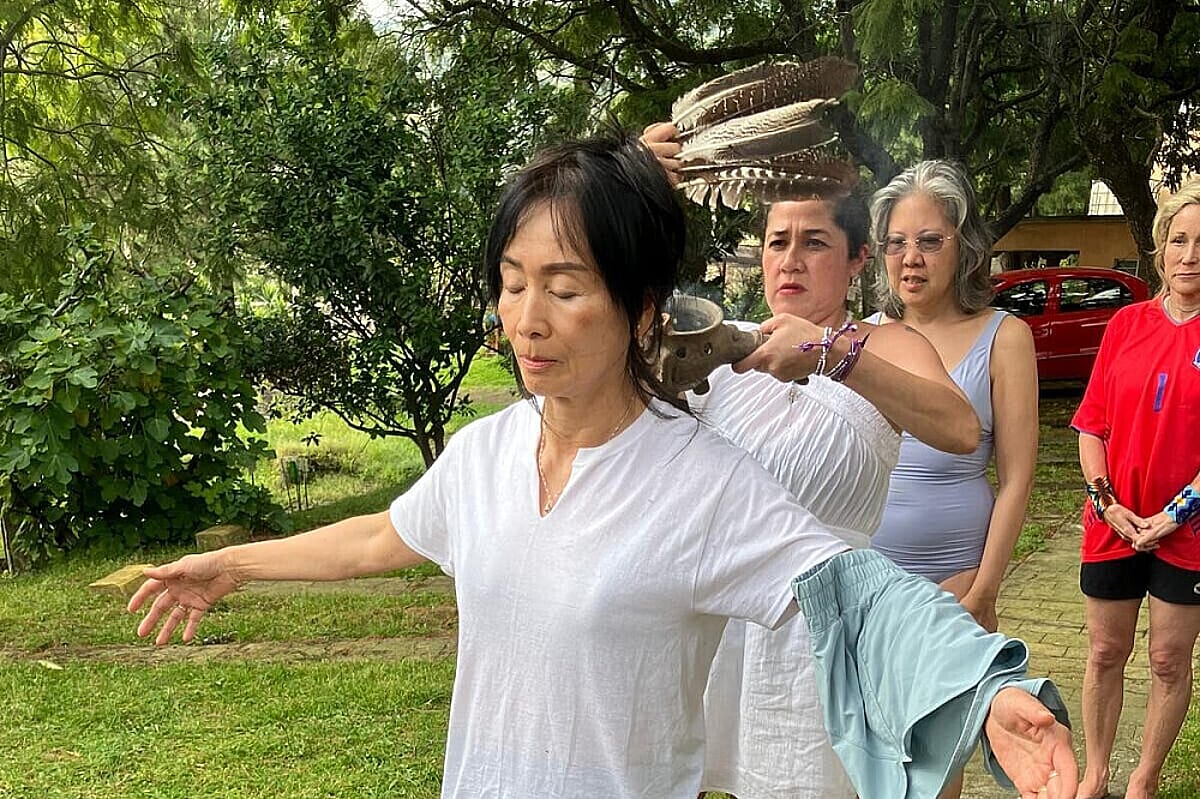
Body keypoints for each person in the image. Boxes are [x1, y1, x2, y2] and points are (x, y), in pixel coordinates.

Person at [129, 136, 1075, 799]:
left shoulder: (701, 481)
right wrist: (236, 564)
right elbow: (384, 532)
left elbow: (854, 591)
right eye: (511, 282)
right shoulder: (489, 450)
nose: (527, 319)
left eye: (566, 287)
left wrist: (986, 691)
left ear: (643, 304)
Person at [641, 122, 980, 799]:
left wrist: (829, 354)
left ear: (858, 259)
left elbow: (961, 428)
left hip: (825, 638)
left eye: (814, 241)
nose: (790, 259)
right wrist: (632, 186)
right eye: (776, 241)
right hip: (725, 628)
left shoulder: (886, 344)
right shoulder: (721, 350)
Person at [865, 159, 1039, 799]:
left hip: (956, 577)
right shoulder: (866, 339)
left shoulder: (1004, 336)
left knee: (936, 765)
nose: (910, 258)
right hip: (871, 585)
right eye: (896, 243)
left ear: (963, 248)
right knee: (870, 758)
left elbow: (1018, 476)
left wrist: (987, 586)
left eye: (930, 241)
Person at [1069, 178, 1200, 799]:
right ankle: (1095, 774)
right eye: (1179, 240)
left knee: (1169, 662)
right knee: (1103, 653)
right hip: (1112, 525)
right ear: (1160, 248)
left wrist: (1171, 517)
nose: (1190, 255)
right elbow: (1090, 424)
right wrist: (1107, 504)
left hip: (1189, 537)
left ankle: (1142, 781)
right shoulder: (1125, 325)